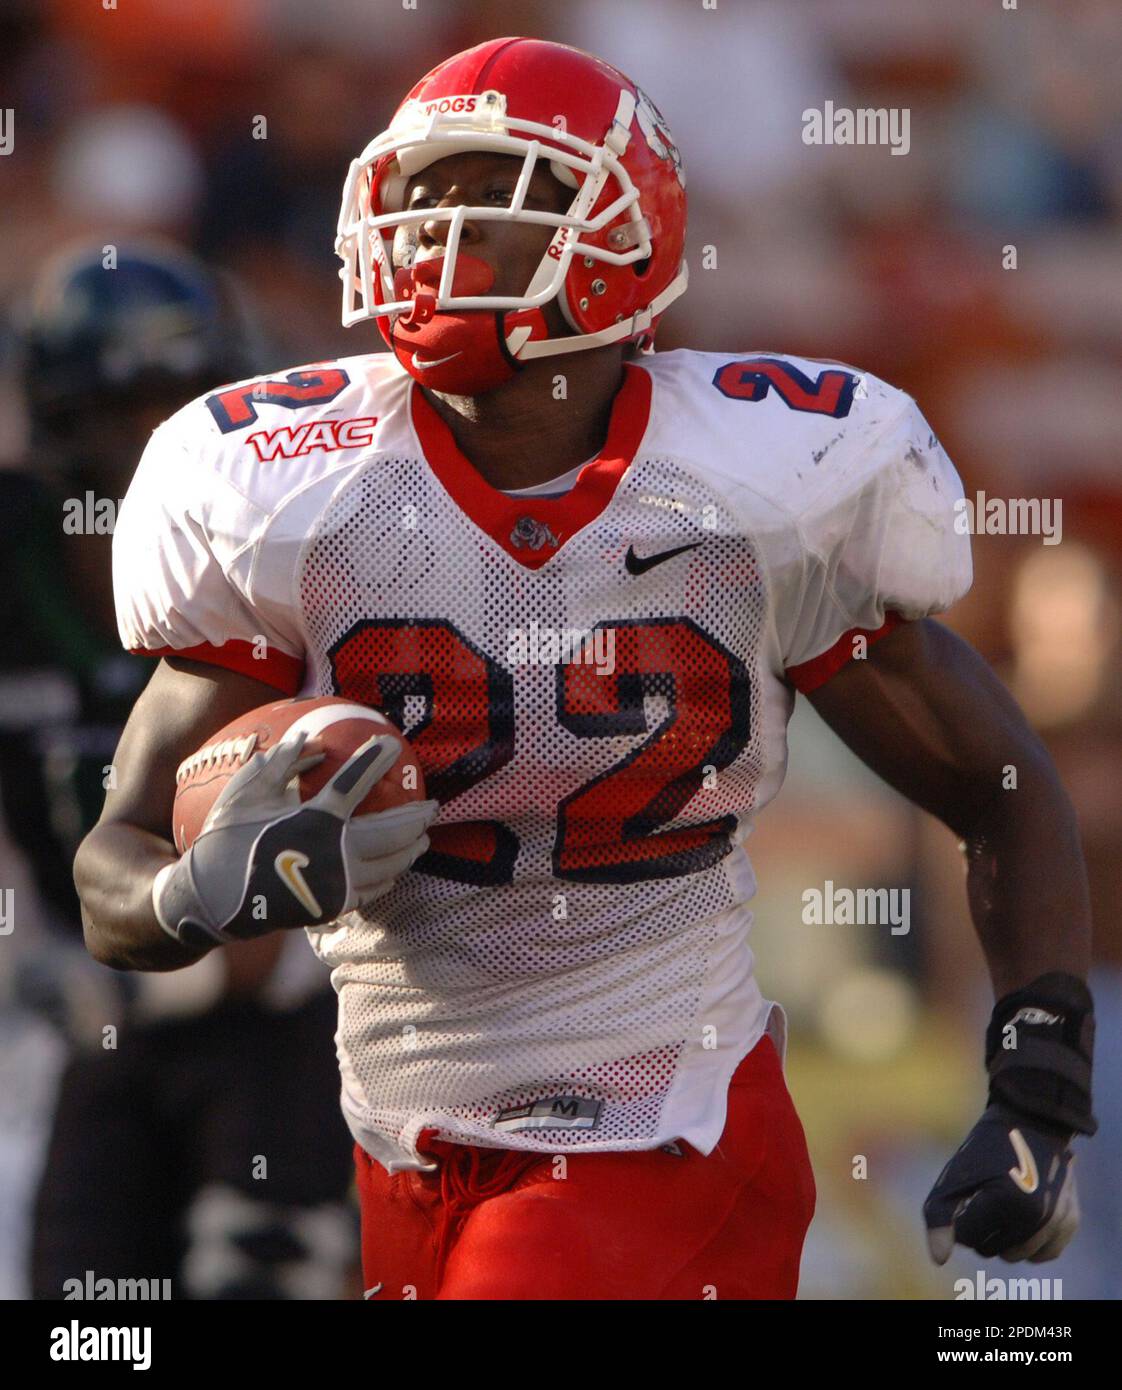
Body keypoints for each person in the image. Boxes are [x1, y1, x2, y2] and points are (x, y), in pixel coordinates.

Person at [75, 38, 1095, 1300]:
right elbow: (110, 862)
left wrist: (1040, 1082)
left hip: (664, 1127)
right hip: (404, 1137)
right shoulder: (289, 490)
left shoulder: (759, 487)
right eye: (418, 191)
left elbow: (995, 779)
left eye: (487, 190)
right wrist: (198, 893)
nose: (432, 228)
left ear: (619, 233)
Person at [5, 242, 358, 1299]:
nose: (163, 449)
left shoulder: (280, 550)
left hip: (285, 1013)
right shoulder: (14, 552)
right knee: (90, 1312)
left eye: (186, 408)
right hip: (84, 1023)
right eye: (133, 410)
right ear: (62, 424)